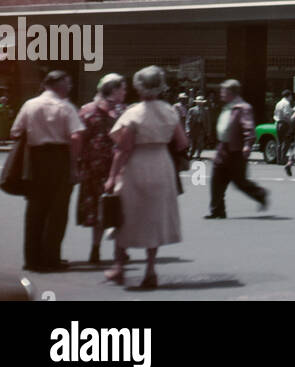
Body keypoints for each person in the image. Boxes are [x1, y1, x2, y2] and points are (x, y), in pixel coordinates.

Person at [103, 65, 186, 288]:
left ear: (139, 87)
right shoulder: (170, 111)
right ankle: (150, 269)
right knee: (154, 217)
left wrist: (111, 176)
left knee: (125, 214)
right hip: (161, 164)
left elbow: (124, 148)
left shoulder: (133, 112)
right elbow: (182, 142)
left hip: (137, 165)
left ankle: (119, 266)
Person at [10, 70, 85, 272]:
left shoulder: (30, 105)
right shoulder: (66, 107)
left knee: (35, 209)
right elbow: (76, 136)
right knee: (57, 211)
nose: (69, 87)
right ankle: (51, 258)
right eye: (67, 83)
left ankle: (32, 259)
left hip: (35, 161)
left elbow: (15, 131)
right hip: (59, 158)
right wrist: (74, 165)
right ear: (58, 84)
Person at [76, 73, 126, 265]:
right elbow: (79, 138)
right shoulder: (89, 111)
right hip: (97, 168)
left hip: (114, 166)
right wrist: (78, 163)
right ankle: (96, 249)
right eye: (122, 88)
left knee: (117, 208)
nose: (125, 92)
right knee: (100, 208)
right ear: (113, 90)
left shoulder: (121, 111)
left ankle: (117, 249)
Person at [206, 79, 269, 218]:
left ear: (232, 93)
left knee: (239, 181)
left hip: (236, 150)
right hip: (223, 147)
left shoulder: (243, 108)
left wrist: (247, 144)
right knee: (216, 179)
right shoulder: (228, 107)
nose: (221, 94)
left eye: (224, 91)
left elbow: (248, 127)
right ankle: (217, 210)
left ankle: (260, 194)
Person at [273, 90, 295, 172]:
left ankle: (278, 159)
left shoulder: (278, 103)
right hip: (284, 123)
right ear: (288, 95)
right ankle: (283, 159)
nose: (291, 97)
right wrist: (290, 123)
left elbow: (275, 113)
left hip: (278, 123)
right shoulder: (286, 103)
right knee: (286, 141)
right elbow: (287, 114)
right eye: (291, 96)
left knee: (279, 142)